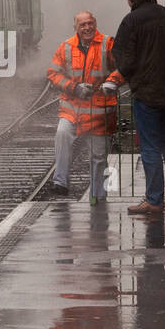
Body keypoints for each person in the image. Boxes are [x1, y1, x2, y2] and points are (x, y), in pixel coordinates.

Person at [112, 0, 165, 215]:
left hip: (146, 94)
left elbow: (123, 57)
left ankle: (154, 199)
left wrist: (127, 76)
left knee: (150, 147)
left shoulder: (131, 21)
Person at [46, 11, 122, 197]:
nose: (87, 28)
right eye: (83, 25)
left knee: (98, 157)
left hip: (98, 111)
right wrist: (74, 87)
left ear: (95, 24)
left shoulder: (108, 44)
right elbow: (53, 73)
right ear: (76, 28)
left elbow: (124, 66)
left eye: (90, 23)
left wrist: (113, 81)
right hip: (73, 108)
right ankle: (60, 182)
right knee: (62, 133)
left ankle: (97, 197)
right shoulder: (66, 47)